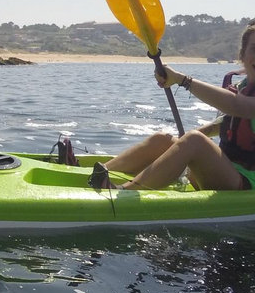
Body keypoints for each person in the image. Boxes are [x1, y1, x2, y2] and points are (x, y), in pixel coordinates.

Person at [96, 22, 255, 191]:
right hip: (222, 170)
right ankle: (94, 174)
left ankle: (124, 193)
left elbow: (237, 106)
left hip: (246, 183)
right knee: (163, 140)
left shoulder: (239, 99)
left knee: (194, 141)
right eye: (254, 48)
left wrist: (182, 80)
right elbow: (226, 122)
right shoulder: (241, 88)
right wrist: (182, 143)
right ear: (242, 55)